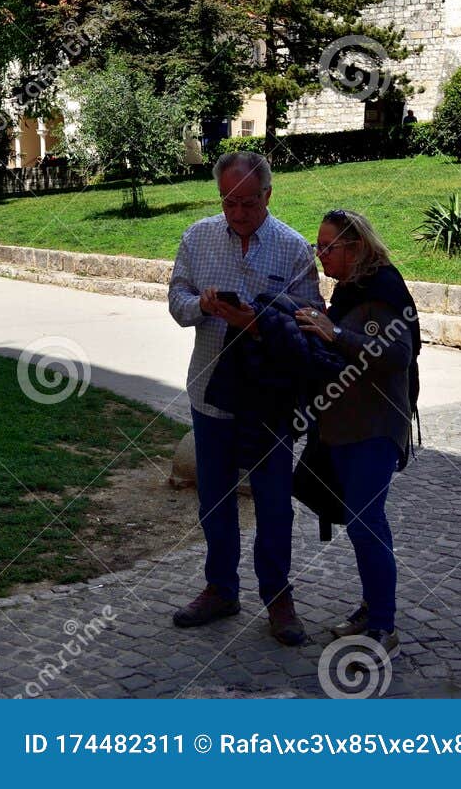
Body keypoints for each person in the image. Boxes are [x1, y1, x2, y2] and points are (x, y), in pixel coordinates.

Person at [167, 150, 322, 645]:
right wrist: (201, 305)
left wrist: (256, 323)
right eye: (228, 203)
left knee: (275, 502)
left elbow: (310, 320)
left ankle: (278, 597)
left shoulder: (294, 249)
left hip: (269, 400)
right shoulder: (197, 236)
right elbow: (176, 297)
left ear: (268, 195)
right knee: (215, 498)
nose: (237, 214)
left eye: (248, 204)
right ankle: (220, 588)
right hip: (210, 392)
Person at [293, 208, 421, 659]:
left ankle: (384, 626)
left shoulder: (382, 289)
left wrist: (334, 333)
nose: (321, 255)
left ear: (356, 247)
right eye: (318, 246)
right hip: (344, 426)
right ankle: (372, 608)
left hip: (375, 428)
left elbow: (396, 355)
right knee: (361, 524)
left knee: (368, 524)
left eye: (328, 247)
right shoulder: (350, 289)